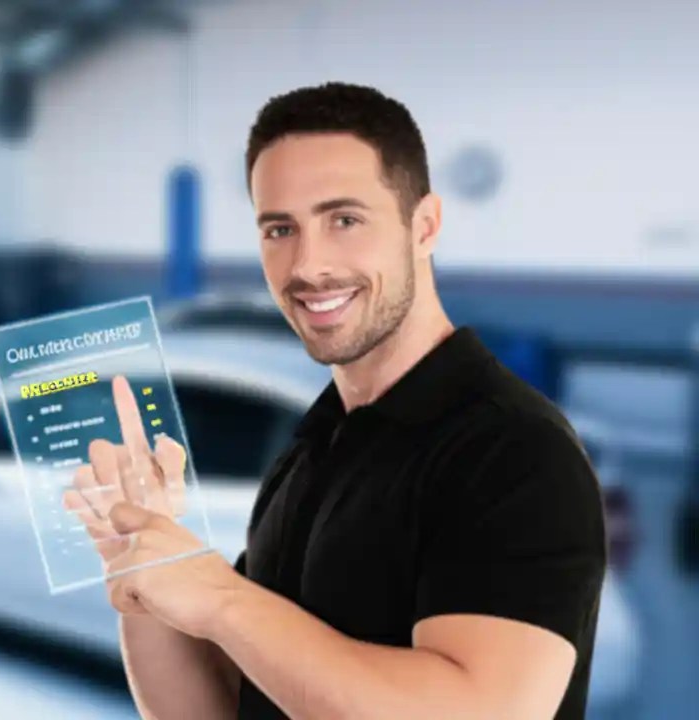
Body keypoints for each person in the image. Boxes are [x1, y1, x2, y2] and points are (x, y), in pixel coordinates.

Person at [63, 82, 607, 719]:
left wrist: (220, 595)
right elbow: (216, 710)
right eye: (279, 228)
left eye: (343, 220)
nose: (309, 264)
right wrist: (147, 574)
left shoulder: (513, 451)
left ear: (424, 225)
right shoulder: (313, 447)